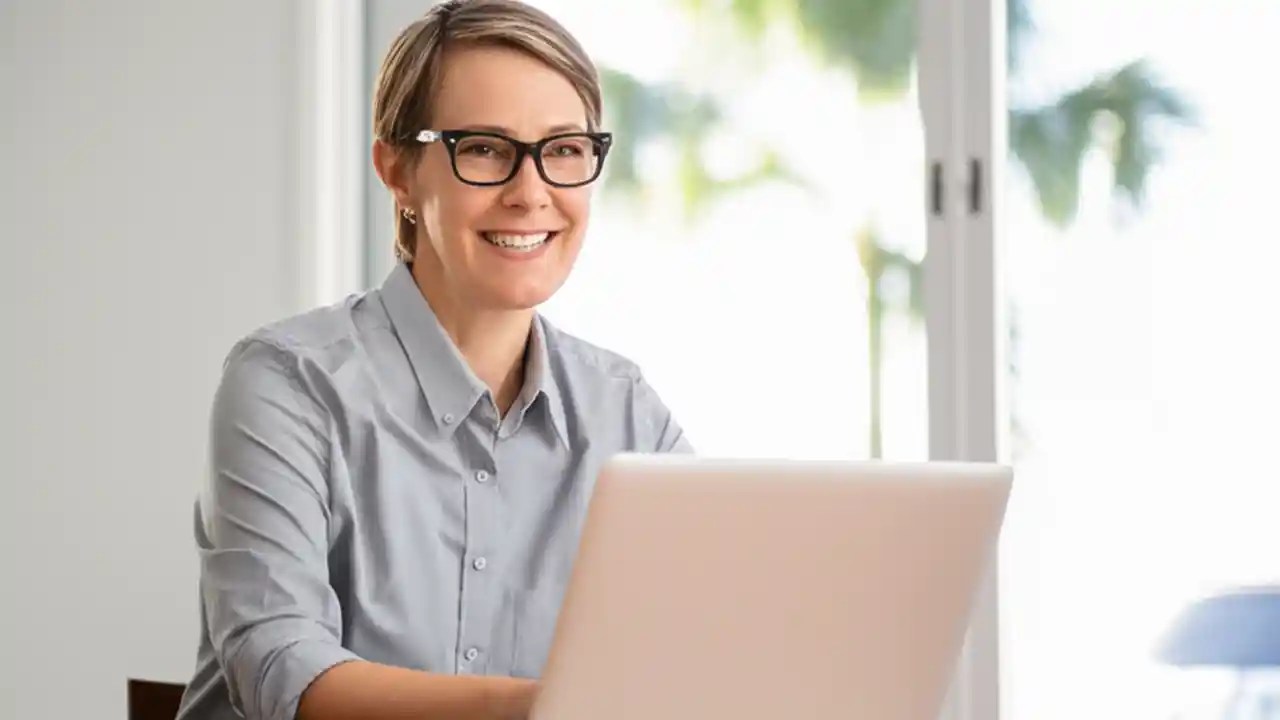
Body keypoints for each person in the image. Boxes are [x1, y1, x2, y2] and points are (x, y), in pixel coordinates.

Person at [175, 1, 690, 718]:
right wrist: (556, 708)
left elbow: (701, 646)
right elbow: (281, 668)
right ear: (398, 172)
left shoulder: (628, 416)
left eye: (565, 149)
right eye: (484, 148)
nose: (531, 192)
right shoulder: (287, 384)